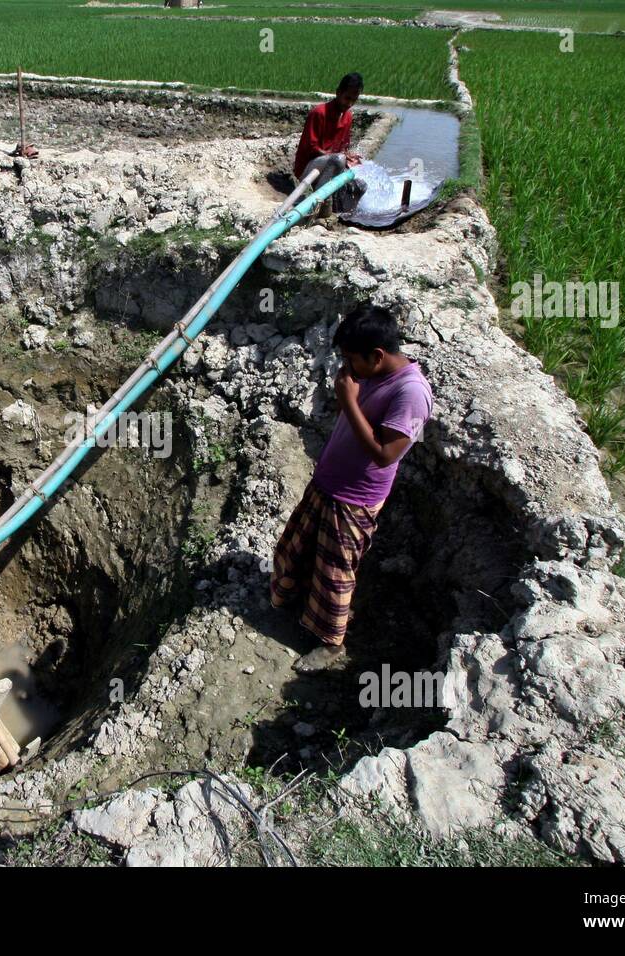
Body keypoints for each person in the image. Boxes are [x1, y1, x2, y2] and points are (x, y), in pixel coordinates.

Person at [270, 303, 433, 673]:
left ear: (377, 355)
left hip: (354, 498)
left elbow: (385, 454)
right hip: (329, 481)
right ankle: (297, 602)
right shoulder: (371, 374)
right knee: (301, 546)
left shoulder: (411, 394)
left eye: (351, 359)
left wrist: (348, 400)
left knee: (335, 572)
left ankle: (331, 644)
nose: (346, 367)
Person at [293, 72, 369, 217]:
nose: (350, 104)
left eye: (354, 100)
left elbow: (342, 147)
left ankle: (343, 212)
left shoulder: (347, 116)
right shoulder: (319, 113)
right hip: (310, 167)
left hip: (330, 163)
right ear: (338, 92)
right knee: (338, 160)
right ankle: (320, 205)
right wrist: (339, 156)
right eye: (347, 98)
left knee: (360, 184)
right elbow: (312, 148)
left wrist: (350, 157)